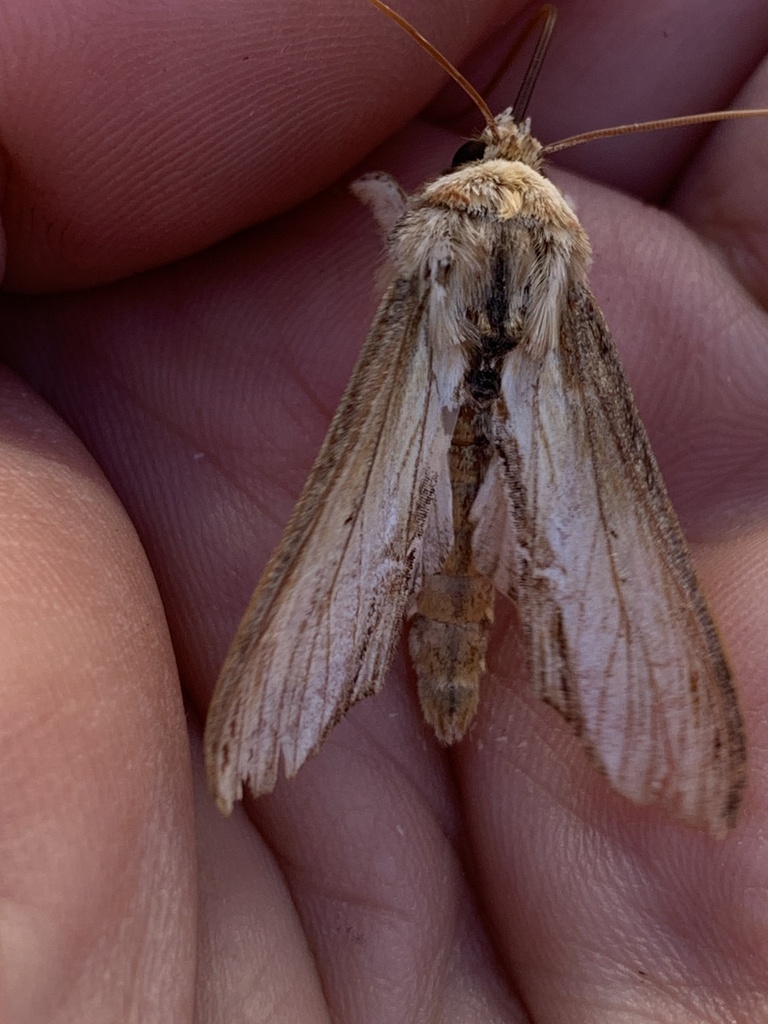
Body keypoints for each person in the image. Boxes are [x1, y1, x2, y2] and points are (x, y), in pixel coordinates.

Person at [0, 1, 766, 1020]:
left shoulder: (432, 236)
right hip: (532, 435)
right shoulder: (557, 291)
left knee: (359, 501)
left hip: (405, 441)